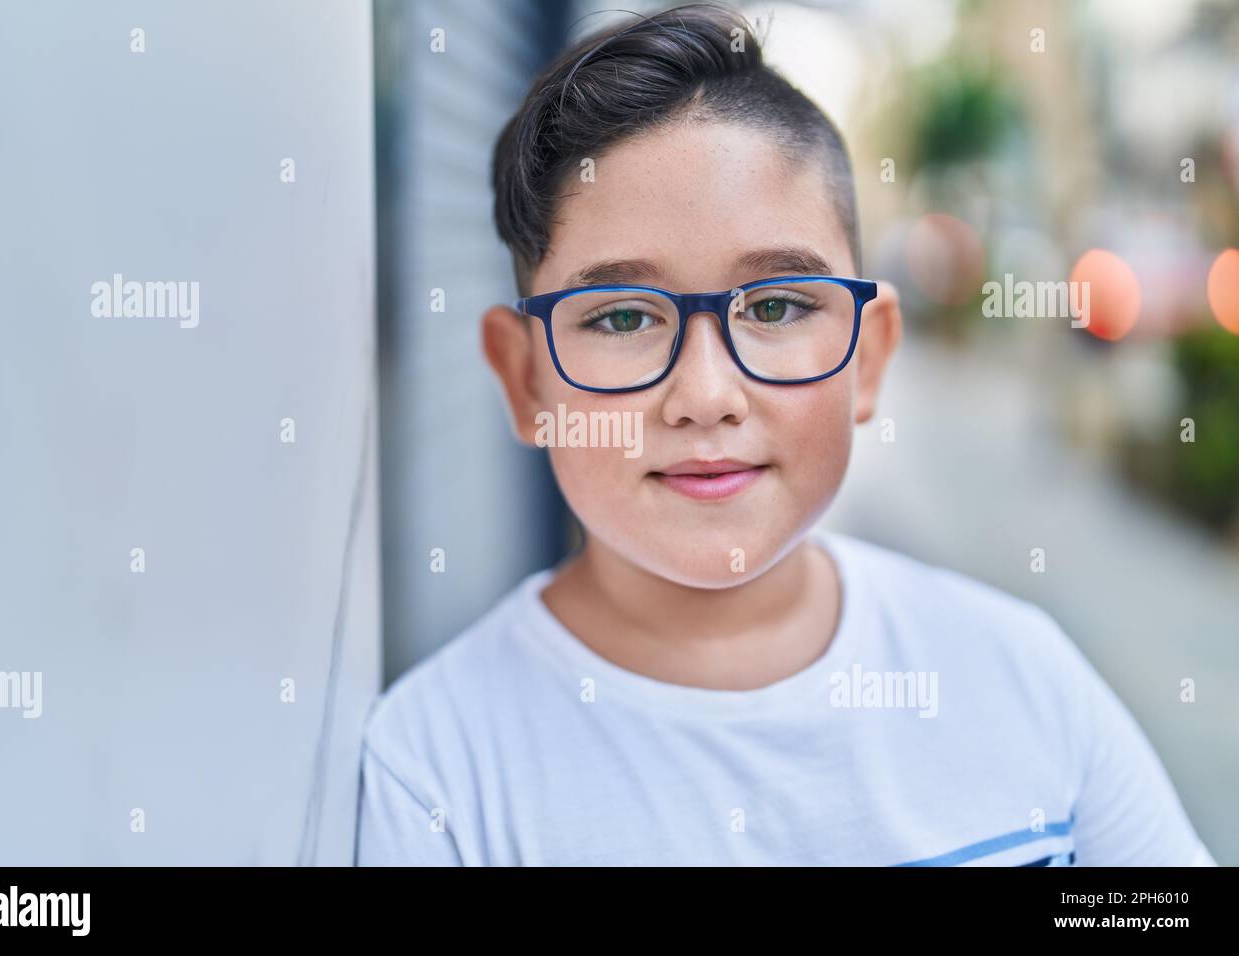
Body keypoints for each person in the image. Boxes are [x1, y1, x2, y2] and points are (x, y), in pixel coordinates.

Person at [356, 3, 1216, 866]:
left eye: (774, 307)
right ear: (525, 380)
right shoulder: (436, 771)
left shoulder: (1025, 680)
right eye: (620, 317)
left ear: (869, 358)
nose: (704, 395)